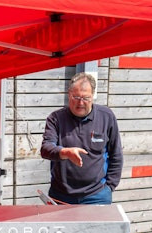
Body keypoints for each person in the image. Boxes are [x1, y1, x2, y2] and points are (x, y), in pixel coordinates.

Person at [41, 73, 123, 204]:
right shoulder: (56, 118)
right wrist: (65, 152)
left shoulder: (106, 117)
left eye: (86, 98)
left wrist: (109, 187)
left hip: (97, 196)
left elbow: (116, 154)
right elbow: (46, 149)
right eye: (76, 97)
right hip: (61, 195)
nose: (80, 103)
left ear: (93, 96)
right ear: (69, 94)